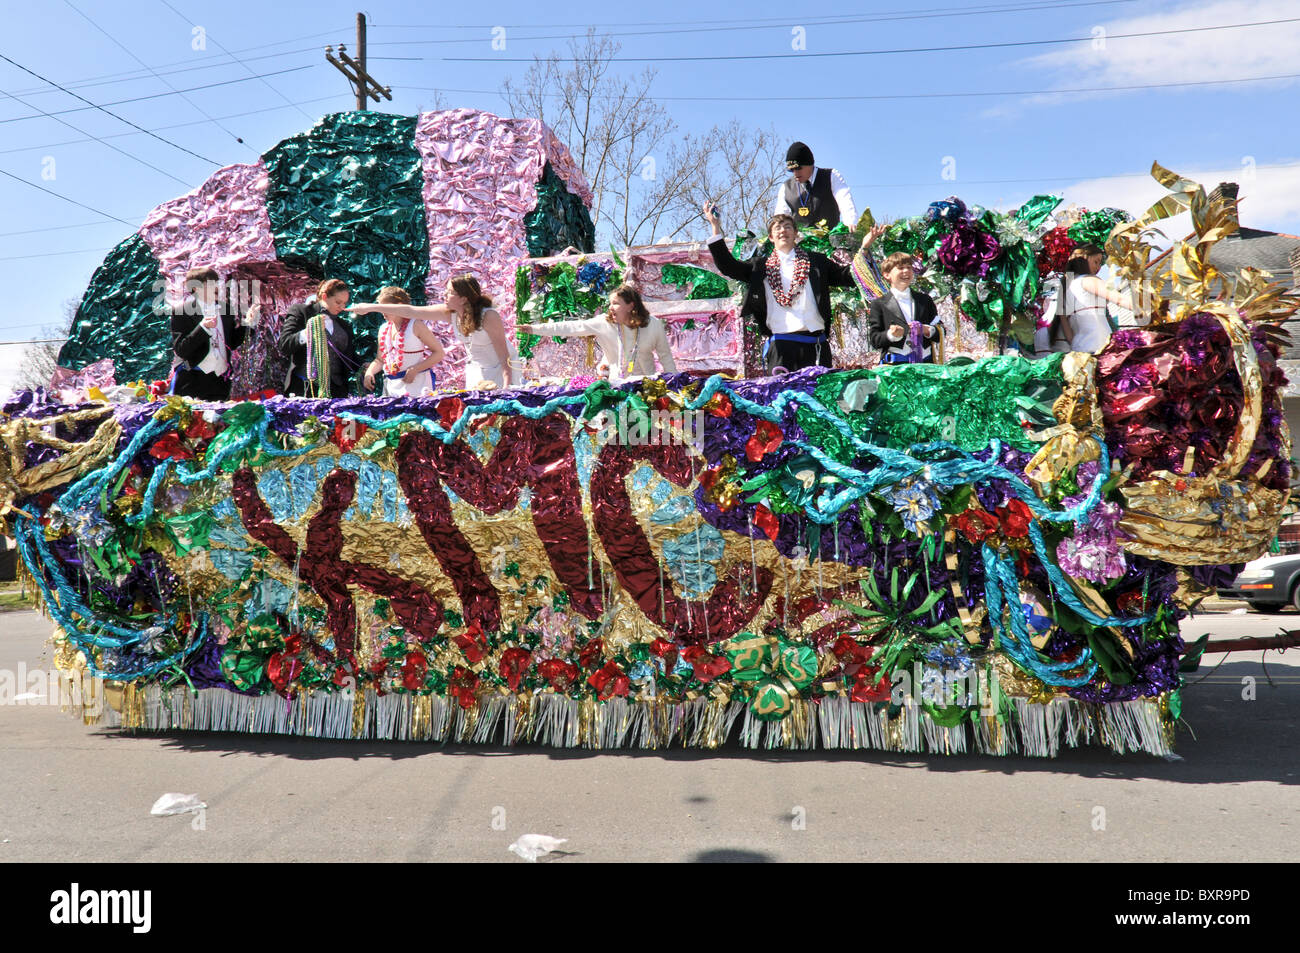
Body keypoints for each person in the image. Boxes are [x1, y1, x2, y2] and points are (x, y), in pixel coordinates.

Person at [704, 202, 878, 372]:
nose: (783, 231)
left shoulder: (816, 262)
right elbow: (728, 266)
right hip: (781, 347)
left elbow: (847, 277)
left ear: (796, 233)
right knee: (785, 399)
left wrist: (865, 248)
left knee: (817, 397)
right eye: (777, 228)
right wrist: (715, 227)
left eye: (787, 227)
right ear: (771, 237)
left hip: (815, 345)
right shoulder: (760, 267)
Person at [349, 274, 514, 389]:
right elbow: (410, 310)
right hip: (476, 371)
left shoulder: (489, 316)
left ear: (463, 299)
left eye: (450, 293)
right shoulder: (450, 313)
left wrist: (507, 389)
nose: (445, 295)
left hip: (501, 371)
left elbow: (505, 358)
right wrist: (370, 308)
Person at [517, 283, 676, 383]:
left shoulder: (652, 324)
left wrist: (674, 384)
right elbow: (571, 327)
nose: (611, 307)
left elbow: (666, 357)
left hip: (646, 386)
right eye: (610, 303)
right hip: (617, 386)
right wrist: (535, 329)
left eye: (616, 303)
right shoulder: (604, 323)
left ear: (631, 306)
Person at [170, 266, 260, 400]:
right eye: (209, 284)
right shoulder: (182, 311)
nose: (215, 287)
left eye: (216, 282)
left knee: (218, 420)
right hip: (192, 380)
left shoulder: (226, 309)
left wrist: (248, 323)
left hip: (219, 380)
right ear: (196, 288)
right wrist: (203, 328)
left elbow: (232, 342)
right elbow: (181, 350)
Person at [277, 278, 361, 397]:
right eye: (338, 302)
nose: (342, 307)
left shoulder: (344, 325)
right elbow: (285, 344)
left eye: (344, 303)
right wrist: (308, 332)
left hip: (336, 390)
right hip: (306, 388)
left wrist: (364, 366)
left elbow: (348, 357)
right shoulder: (302, 312)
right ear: (325, 296)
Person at [361, 286, 445, 397]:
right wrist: (370, 372)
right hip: (391, 387)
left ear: (399, 306)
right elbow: (380, 360)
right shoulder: (383, 329)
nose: (382, 312)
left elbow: (439, 353)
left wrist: (416, 369)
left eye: (385, 308)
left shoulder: (416, 325)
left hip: (416, 386)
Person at [867, 253, 944, 364]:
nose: (906, 271)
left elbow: (941, 331)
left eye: (909, 267)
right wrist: (891, 334)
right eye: (900, 268)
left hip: (925, 367)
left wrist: (927, 330)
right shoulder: (879, 304)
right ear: (887, 275)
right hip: (895, 368)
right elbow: (875, 340)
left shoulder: (925, 300)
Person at [1063, 244, 1132, 354]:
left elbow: (1067, 330)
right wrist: (1144, 307)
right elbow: (1118, 299)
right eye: (1096, 261)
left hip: (1080, 353)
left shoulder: (1065, 290)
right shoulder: (1088, 280)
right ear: (1084, 259)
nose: (1098, 267)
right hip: (1100, 348)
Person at [774, 141, 856, 230]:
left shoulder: (831, 176)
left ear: (810, 164)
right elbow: (780, 218)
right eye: (791, 170)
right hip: (799, 242)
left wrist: (850, 222)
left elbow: (845, 201)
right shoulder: (786, 187)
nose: (795, 173)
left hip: (830, 240)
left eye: (798, 168)